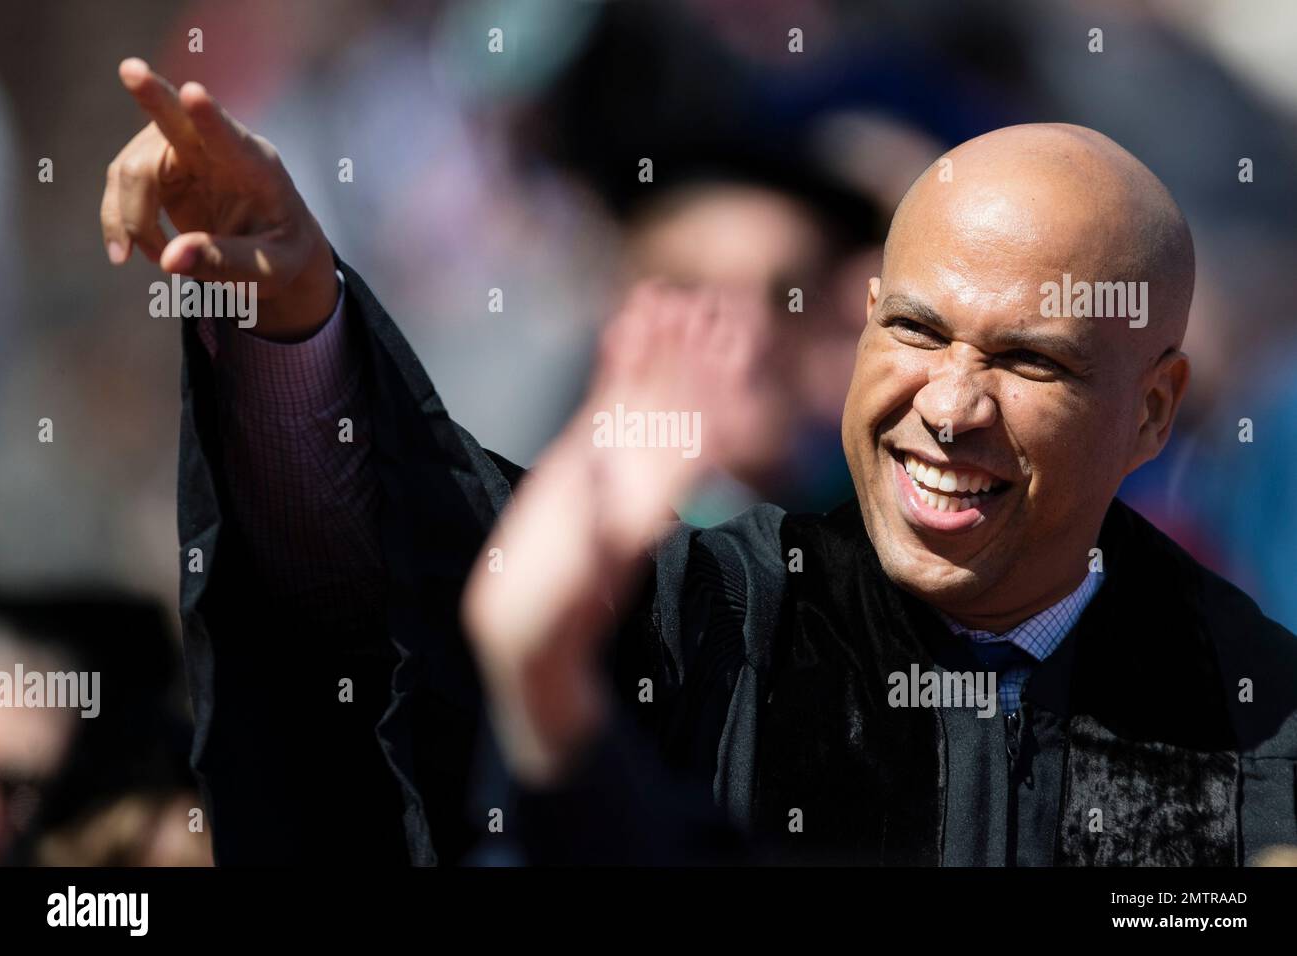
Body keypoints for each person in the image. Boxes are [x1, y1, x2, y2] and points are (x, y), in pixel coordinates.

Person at [101, 59, 1297, 865]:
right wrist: (291, 318)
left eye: (1032, 361)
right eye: (917, 330)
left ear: (1152, 411)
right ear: (866, 317)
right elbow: (383, 581)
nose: (949, 405)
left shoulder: (1255, 726)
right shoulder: (702, 612)